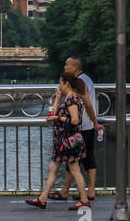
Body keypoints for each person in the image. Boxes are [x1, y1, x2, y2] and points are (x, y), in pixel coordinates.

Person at [25, 72, 91, 210]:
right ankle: (42, 199)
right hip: (63, 141)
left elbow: (75, 120)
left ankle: (84, 200)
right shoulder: (67, 98)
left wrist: (58, 119)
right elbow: (56, 114)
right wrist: (57, 100)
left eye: (60, 82)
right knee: (53, 168)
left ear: (66, 83)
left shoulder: (72, 99)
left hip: (68, 141)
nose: (59, 85)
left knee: (75, 170)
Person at [49, 57, 99, 205]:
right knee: (86, 157)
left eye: (67, 66)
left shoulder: (79, 82)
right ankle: (89, 191)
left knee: (72, 158)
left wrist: (95, 122)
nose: (65, 68)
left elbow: (88, 105)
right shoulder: (86, 80)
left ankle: (69, 191)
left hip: (80, 127)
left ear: (76, 70)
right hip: (86, 126)